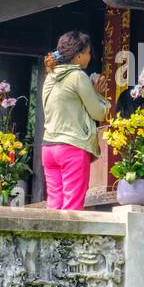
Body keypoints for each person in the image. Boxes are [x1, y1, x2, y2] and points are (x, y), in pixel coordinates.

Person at [42, 31, 110, 210]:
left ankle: (52, 238)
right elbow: (99, 113)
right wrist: (99, 95)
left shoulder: (50, 76)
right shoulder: (78, 76)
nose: (90, 56)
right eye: (88, 52)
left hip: (48, 147)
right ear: (79, 55)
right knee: (72, 207)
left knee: (54, 206)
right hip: (71, 147)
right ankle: (68, 240)